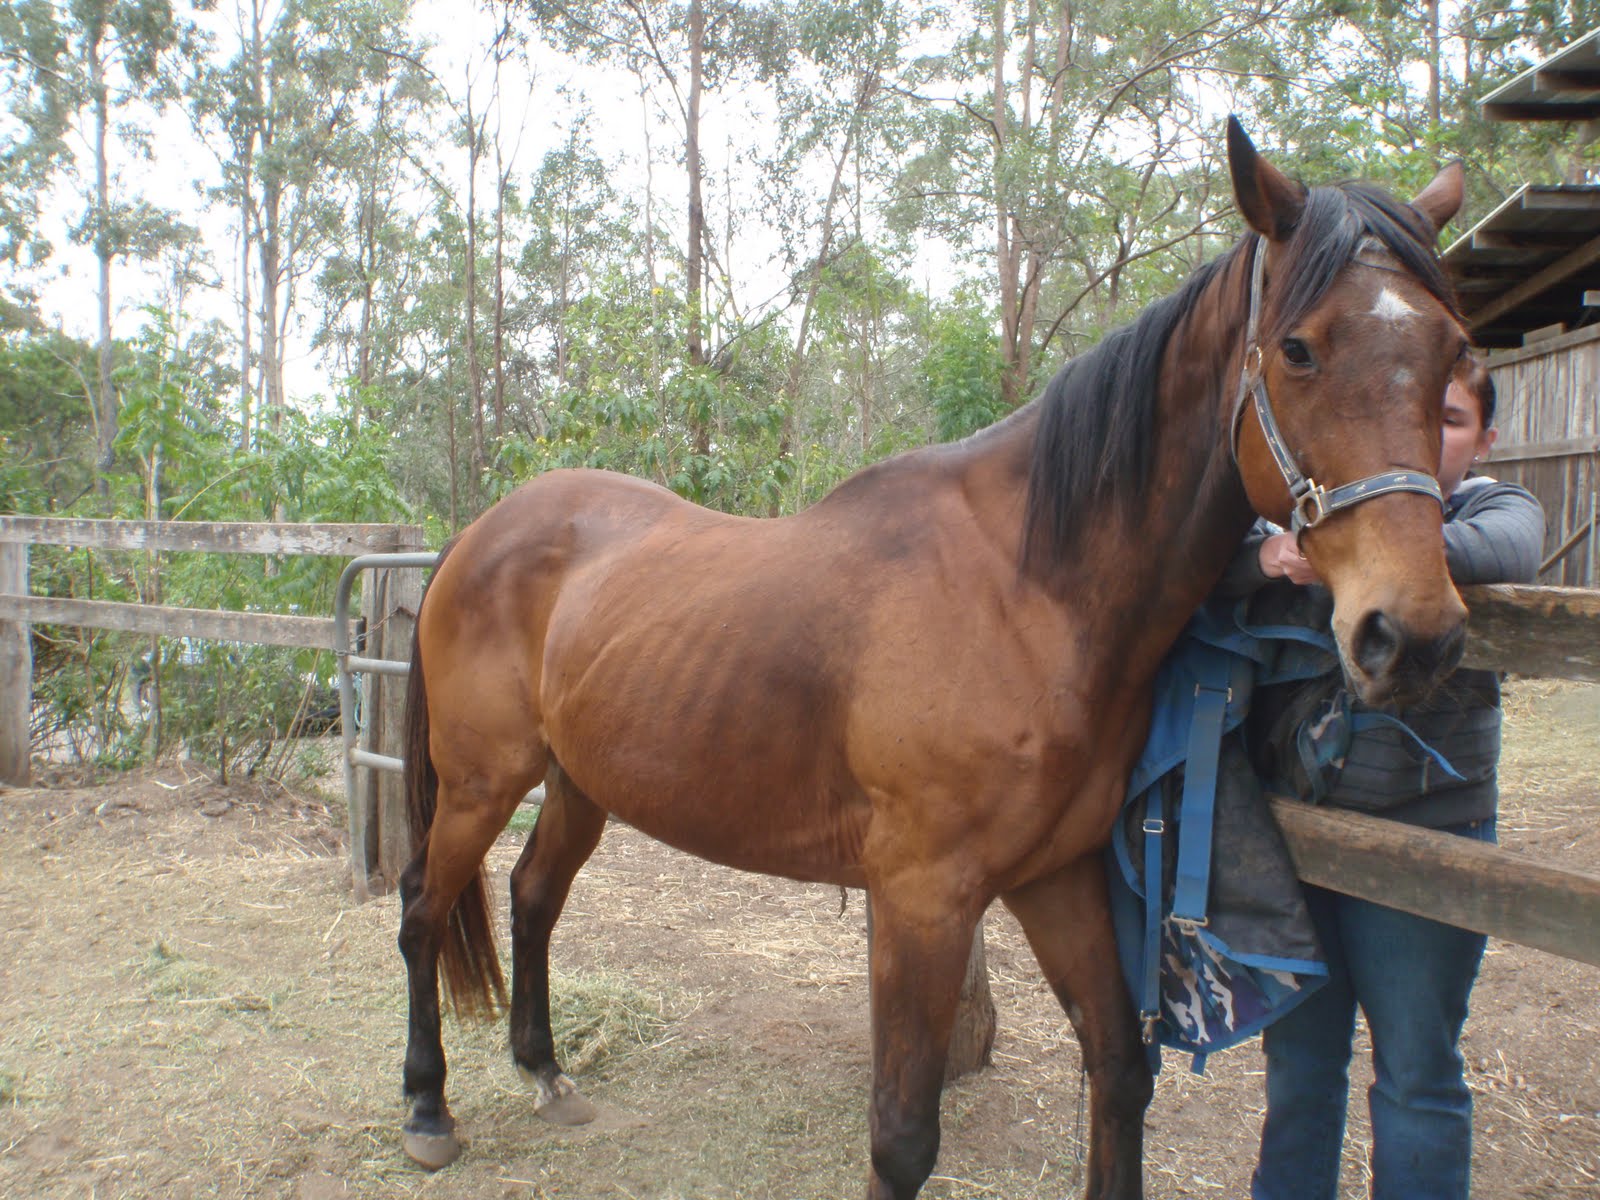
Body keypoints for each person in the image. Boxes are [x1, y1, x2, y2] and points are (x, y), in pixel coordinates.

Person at [1219, 355, 1546, 1200]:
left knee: (1417, 1074)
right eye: (1412, 414)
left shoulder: (1494, 505)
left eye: (1451, 420)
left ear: (1486, 440)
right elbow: (1218, 566)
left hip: (1428, 839)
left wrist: (1332, 548)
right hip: (1305, 839)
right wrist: (1270, 559)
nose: (1428, 437)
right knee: (1299, 1066)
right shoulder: (1318, 507)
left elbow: (1507, 547)